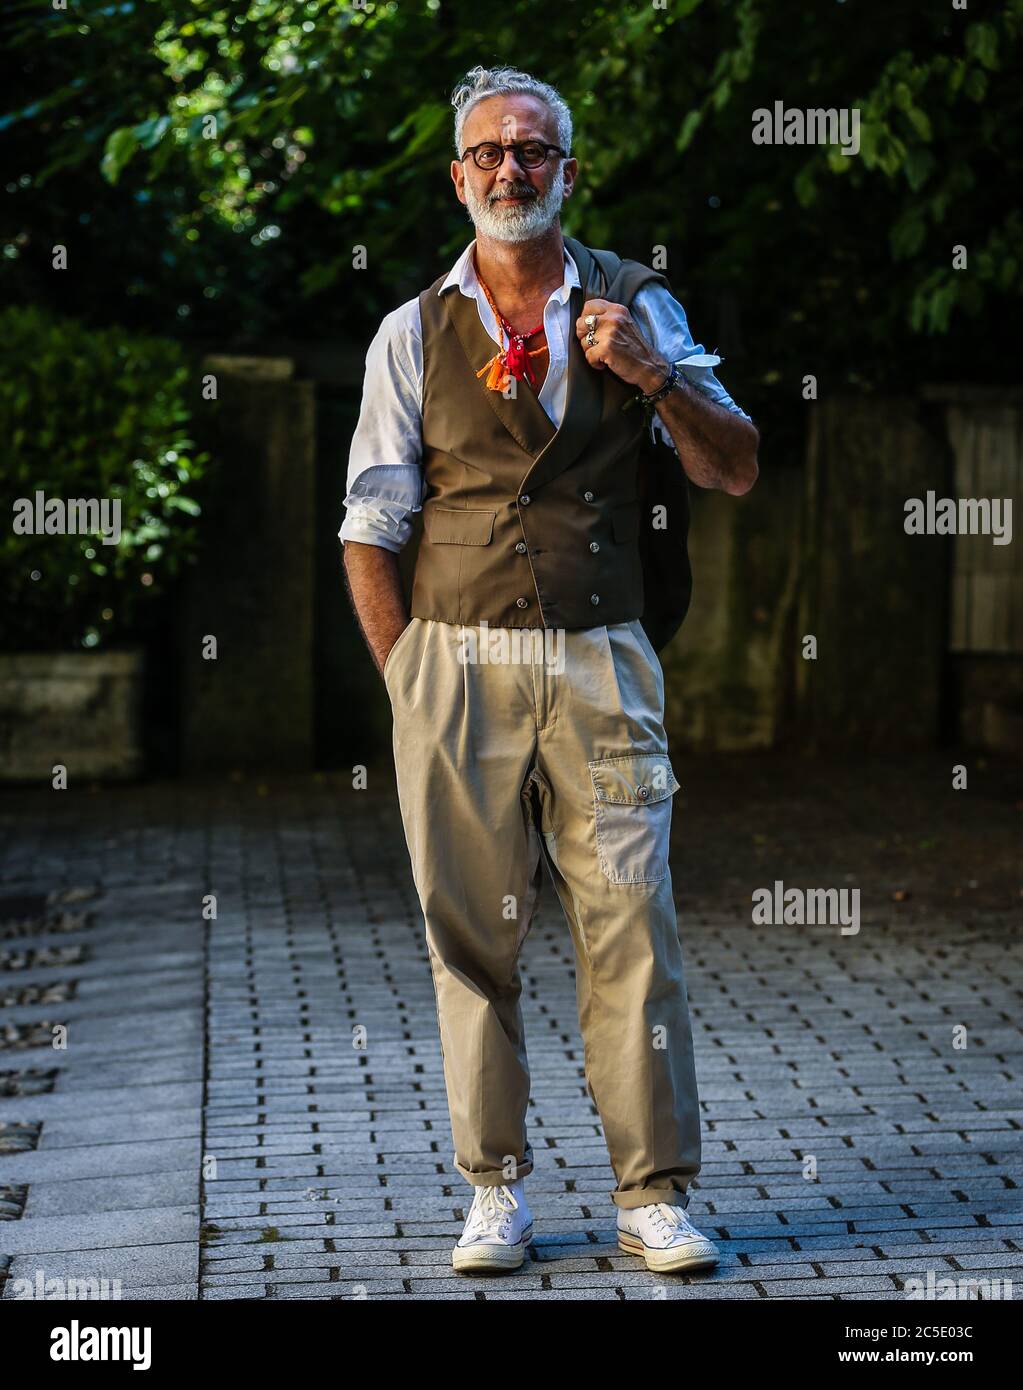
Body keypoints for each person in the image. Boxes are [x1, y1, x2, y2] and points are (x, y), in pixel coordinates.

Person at [340, 64, 759, 1277]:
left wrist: (654, 375)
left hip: (600, 657)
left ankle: (654, 1195)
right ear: (458, 176)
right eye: (489, 152)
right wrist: (407, 676)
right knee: (468, 934)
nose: (511, 169)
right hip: (454, 666)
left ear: (567, 172)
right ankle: (494, 1187)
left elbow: (734, 466)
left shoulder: (637, 305)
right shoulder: (410, 330)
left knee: (634, 920)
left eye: (533, 150)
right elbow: (372, 525)